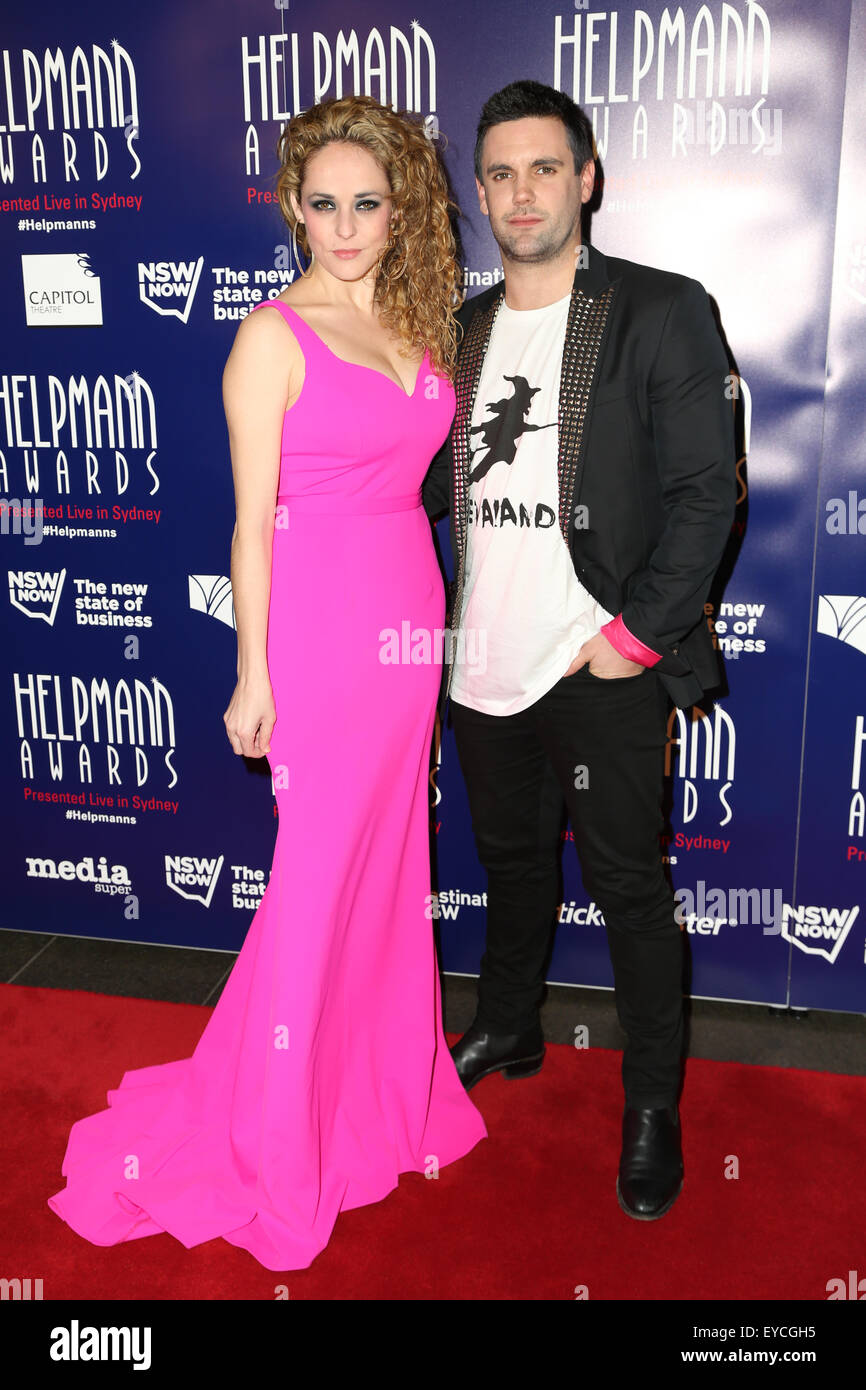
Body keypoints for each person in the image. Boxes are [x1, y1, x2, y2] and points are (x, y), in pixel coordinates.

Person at [47, 93, 487, 1272]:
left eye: (368, 204)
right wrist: (253, 674)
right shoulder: (269, 335)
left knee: (389, 870)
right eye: (323, 203)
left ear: (401, 214)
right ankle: (276, 1133)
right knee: (312, 879)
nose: (344, 226)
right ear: (293, 207)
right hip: (320, 636)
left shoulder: (413, 322)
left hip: (408, 623)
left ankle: (377, 1092)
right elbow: (249, 528)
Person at [422, 80, 736, 1221]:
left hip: (595, 664)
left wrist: (633, 637)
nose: (518, 192)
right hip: (481, 666)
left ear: (585, 178)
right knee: (508, 866)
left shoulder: (657, 310)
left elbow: (708, 494)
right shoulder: (458, 329)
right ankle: (509, 1025)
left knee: (628, 894)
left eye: (542, 168)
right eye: (498, 172)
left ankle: (651, 1102)